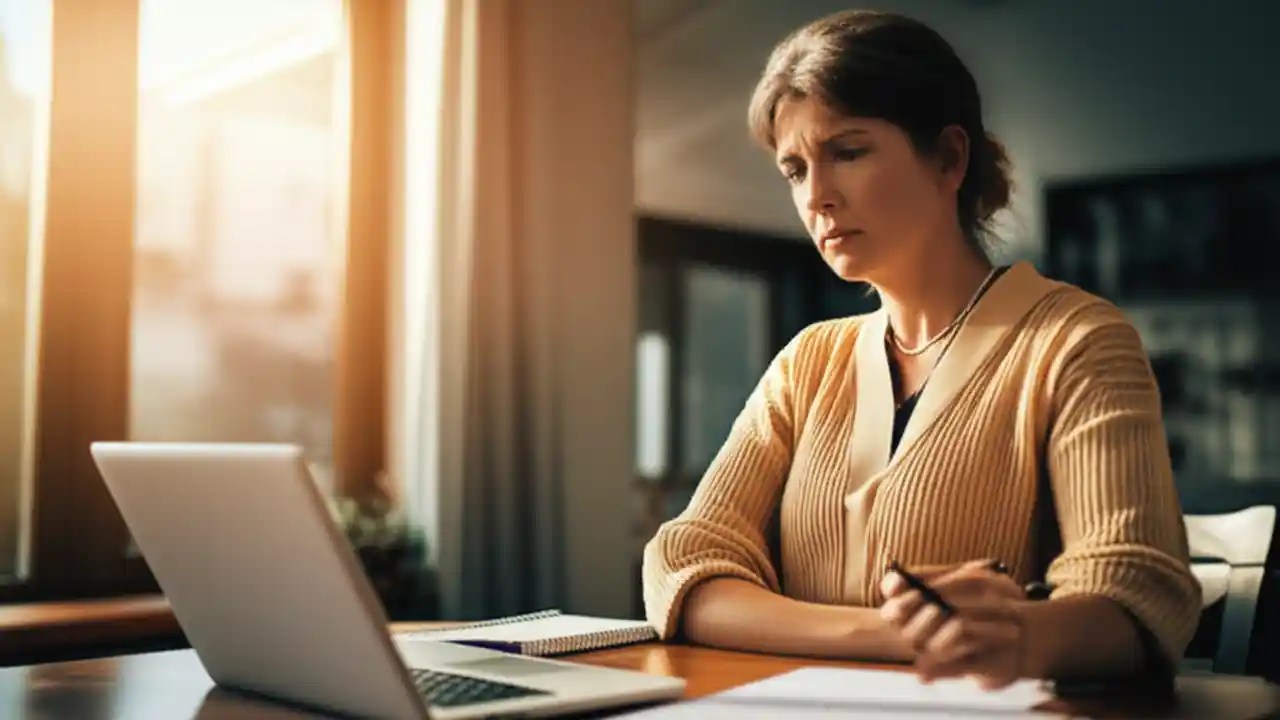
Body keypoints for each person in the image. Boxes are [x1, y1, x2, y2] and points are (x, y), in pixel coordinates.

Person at [641, 9, 1200, 689]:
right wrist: (890, 633)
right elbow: (685, 563)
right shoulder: (807, 362)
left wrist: (1017, 635)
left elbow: (1135, 601)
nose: (816, 196)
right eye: (794, 169)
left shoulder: (1076, 342)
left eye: (847, 152)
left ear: (950, 158)